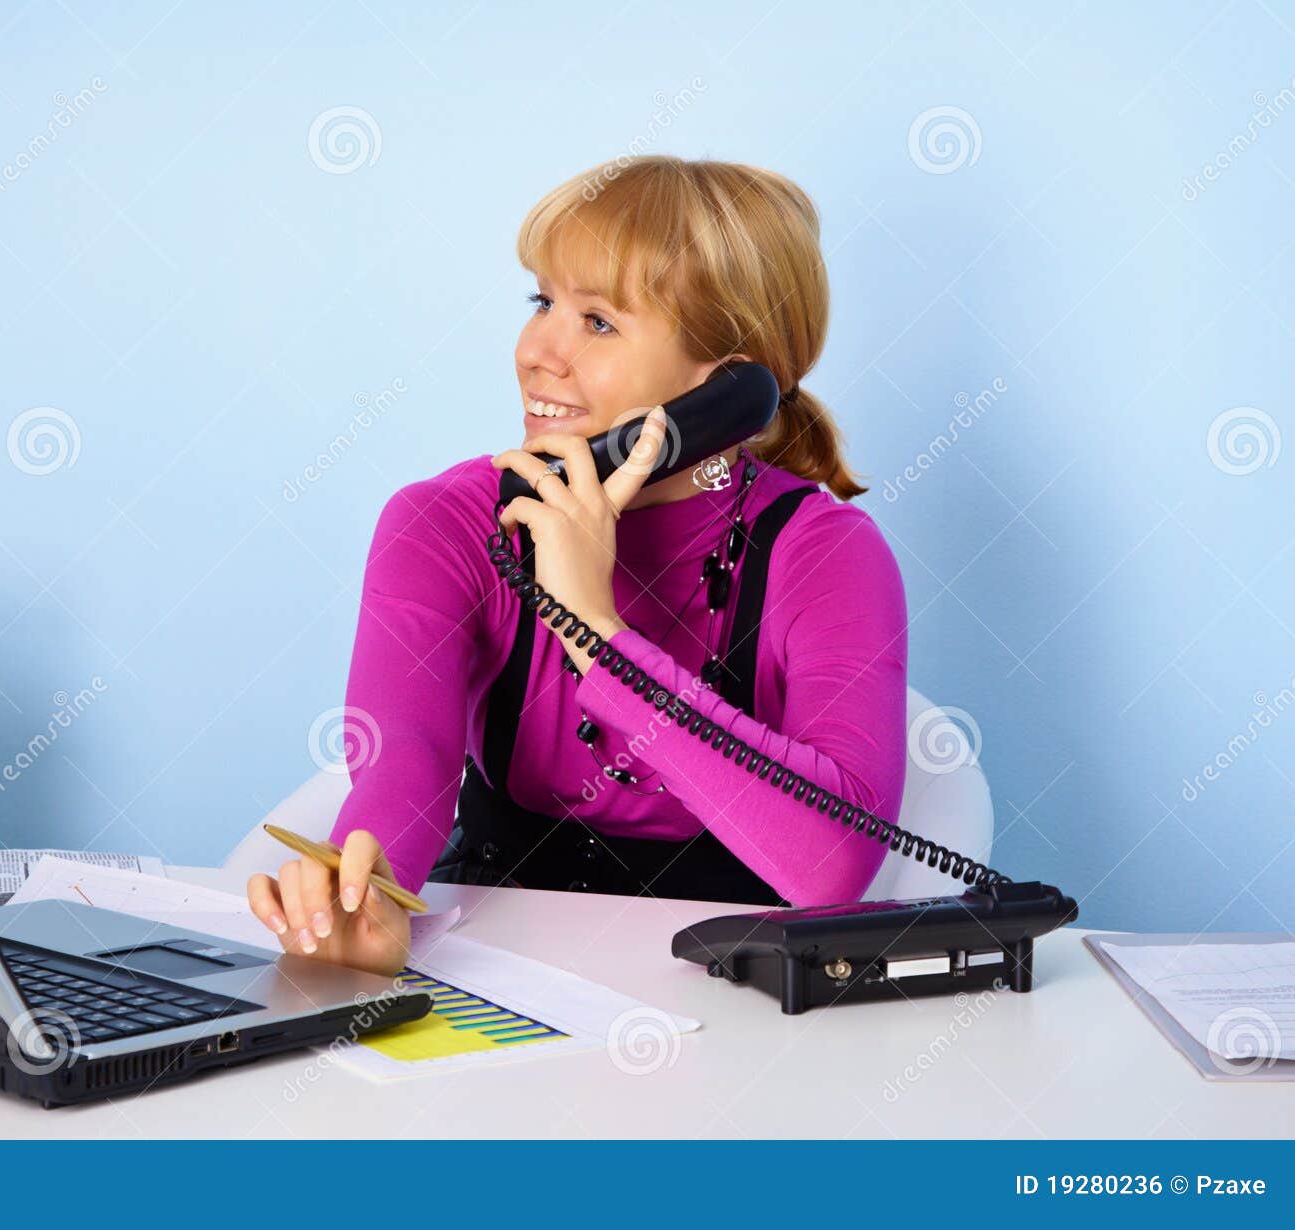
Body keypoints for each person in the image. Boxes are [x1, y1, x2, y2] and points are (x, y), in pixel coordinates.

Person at [247, 156, 908, 976]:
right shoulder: (447, 524)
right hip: (511, 977)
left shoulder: (826, 553)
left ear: (728, 386)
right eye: (543, 302)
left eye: (598, 323)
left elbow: (834, 867)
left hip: (739, 1004)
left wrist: (594, 629)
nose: (536, 352)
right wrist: (365, 893)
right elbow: (401, 769)